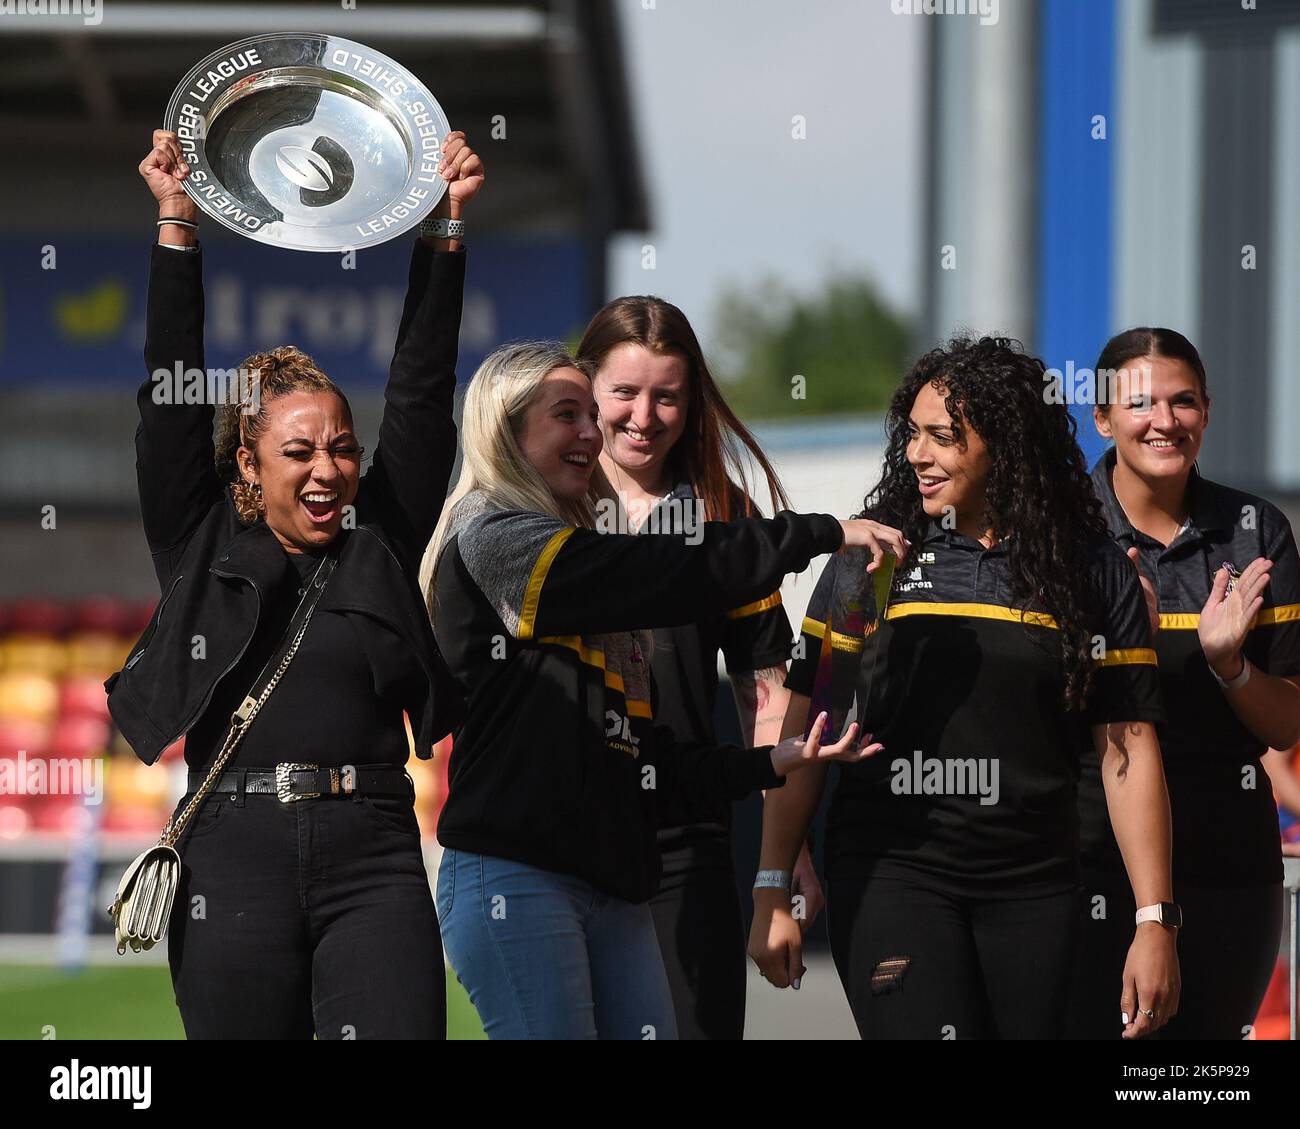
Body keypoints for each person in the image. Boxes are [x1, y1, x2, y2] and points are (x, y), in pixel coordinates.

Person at [105, 128, 482, 1039]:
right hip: (233, 857)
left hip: (376, 857)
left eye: (344, 448)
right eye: (301, 450)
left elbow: (424, 392)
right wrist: (176, 224)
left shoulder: (378, 536)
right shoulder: (200, 536)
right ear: (248, 458)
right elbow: (168, 395)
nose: (329, 469)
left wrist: (445, 226)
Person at [419, 341, 905, 1039]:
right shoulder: (494, 532)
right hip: (516, 879)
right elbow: (663, 569)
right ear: (505, 429)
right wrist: (819, 532)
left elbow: (650, 765)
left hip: (616, 885)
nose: (593, 432)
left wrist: (772, 760)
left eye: (592, 413)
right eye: (568, 415)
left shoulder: (599, 583)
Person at [749, 334, 1180, 1040]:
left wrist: (1153, 920)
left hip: (1039, 885)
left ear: (1006, 448)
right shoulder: (869, 564)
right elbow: (809, 730)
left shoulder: (1094, 571)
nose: (918, 453)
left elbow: (1127, 753)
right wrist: (771, 886)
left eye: (943, 437)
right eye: (913, 434)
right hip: (893, 875)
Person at [576, 296, 820, 1040]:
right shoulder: (541, 507)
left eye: (667, 396)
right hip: (558, 843)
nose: (644, 416)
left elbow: (770, 703)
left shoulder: (725, 516)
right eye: (624, 392)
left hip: (686, 843)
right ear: (583, 386)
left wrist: (785, 863)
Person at [1067, 327, 1300, 1039]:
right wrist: (1111, 642)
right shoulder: (1059, 530)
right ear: (1102, 419)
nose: (1164, 421)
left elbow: (1286, 726)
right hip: (1084, 866)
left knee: (1196, 1083)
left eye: (1184, 401)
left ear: (1208, 410)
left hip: (1228, 867)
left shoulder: (1256, 532)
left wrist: (1229, 665)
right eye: (1140, 403)